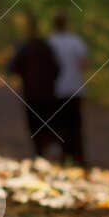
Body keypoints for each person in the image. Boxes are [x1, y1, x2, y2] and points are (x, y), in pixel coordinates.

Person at [6, 13, 60, 160]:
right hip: (48, 91)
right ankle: (45, 148)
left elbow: (12, 67)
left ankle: (40, 151)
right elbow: (57, 68)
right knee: (46, 118)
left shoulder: (25, 47)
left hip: (31, 92)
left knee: (34, 121)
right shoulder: (46, 47)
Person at [46, 11, 89, 167]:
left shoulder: (49, 41)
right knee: (75, 125)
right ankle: (78, 158)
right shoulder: (75, 41)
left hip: (56, 90)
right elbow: (84, 63)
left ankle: (64, 158)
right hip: (75, 88)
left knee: (59, 124)